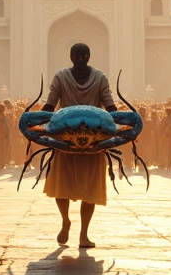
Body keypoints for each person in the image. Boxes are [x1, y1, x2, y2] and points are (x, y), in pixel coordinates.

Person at [41, 43, 117, 249]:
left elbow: (49, 106)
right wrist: (120, 125)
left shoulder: (61, 76)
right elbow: (110, 107)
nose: (81, 60)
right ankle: (82, 233)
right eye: (81, 57)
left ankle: (69, 222)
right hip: (93, 141)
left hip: (67, 138)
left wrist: (37, 123)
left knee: (63, 185)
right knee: (89, 188)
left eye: (80, 57)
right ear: (87, 57)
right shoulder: (99, 77)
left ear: (71, 57)